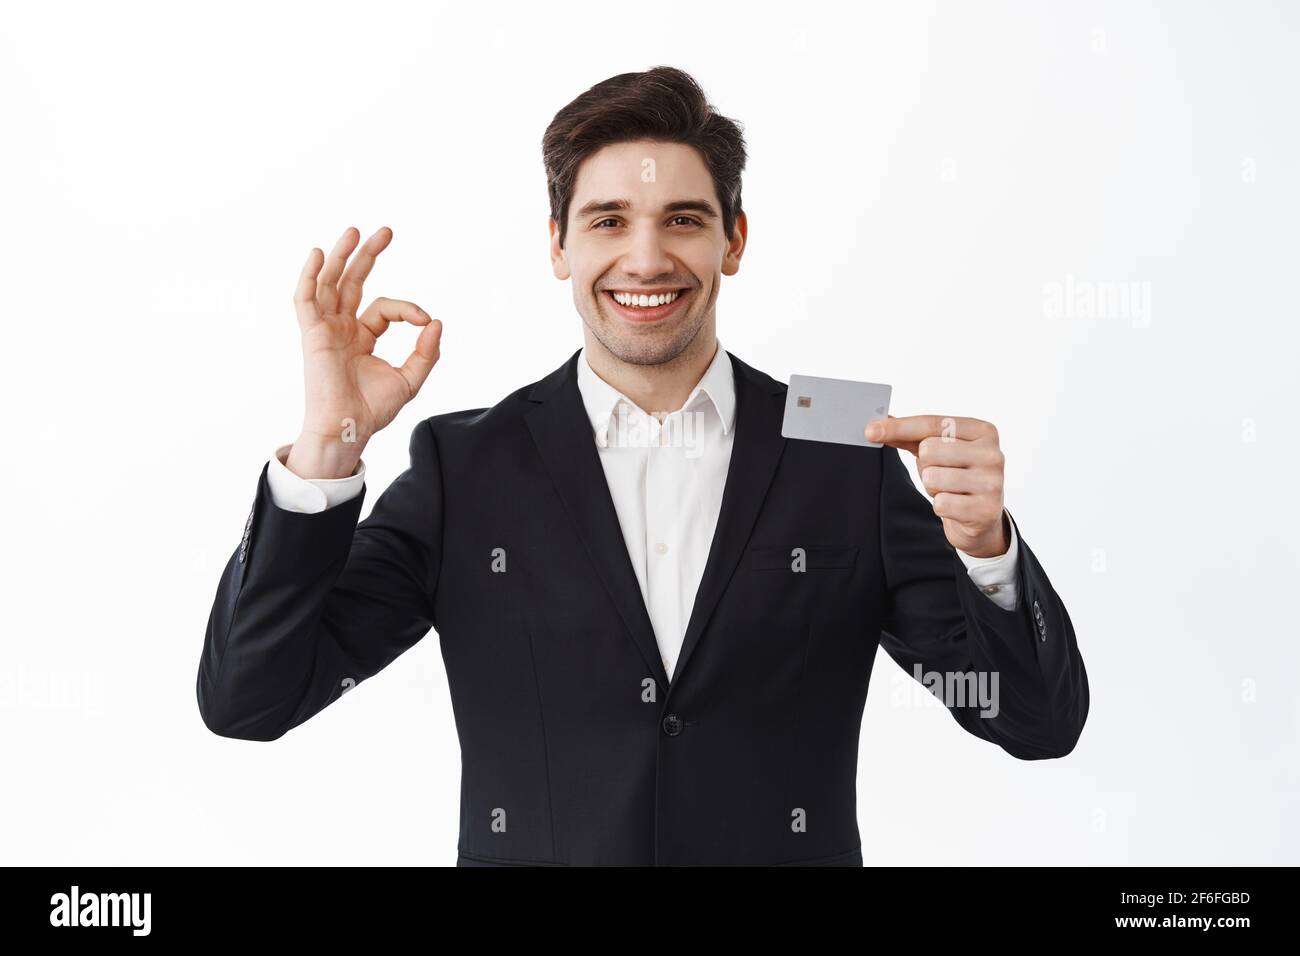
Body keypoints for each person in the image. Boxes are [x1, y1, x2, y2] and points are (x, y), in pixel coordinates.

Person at [197, 65, 1088, 867]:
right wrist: (328, 445)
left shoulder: (843, 452)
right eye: (609, 221)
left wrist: (985, 549)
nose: (648, 258)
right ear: (558, 247)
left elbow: (1034, 722)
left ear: (733, 241)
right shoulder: (462, 466)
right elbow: (250, 699)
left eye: (684, 220)